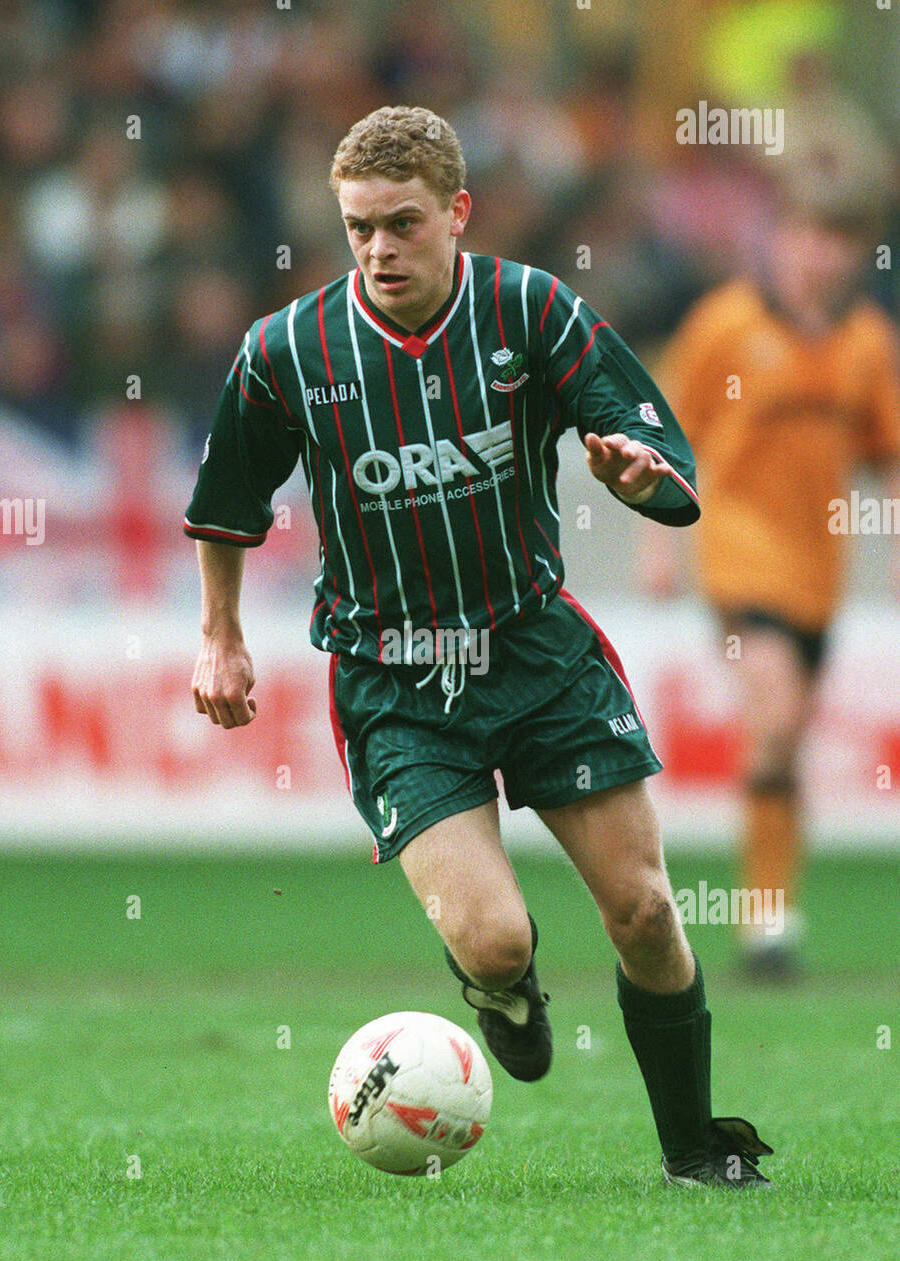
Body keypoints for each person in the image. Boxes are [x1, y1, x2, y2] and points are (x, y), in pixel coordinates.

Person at [186, 105, 772, 1188]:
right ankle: (502, 991)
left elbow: (651, 437)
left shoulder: (532, 312)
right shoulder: (286, 351)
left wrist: (637, 475)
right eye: (357, 226)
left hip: (536, 651)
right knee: (497, 939)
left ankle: (695, 1150)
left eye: (401, 223)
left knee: (643, 908)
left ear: (457, 212)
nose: (377, 249)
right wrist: (220, 638)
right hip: (394, 681)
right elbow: (227, 502)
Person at [645, 183, 900, 981]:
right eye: (806, 235)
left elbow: (884, 453)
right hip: (737, 555)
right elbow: (659, 430)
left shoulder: (864, 340)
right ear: (778, 240)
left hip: (819, 573)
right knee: (778, 716)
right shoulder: (724, 325)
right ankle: (763, 925)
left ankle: (770, 916)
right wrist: (655, 543)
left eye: (837, 239)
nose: (820, 255)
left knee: (782, 747)